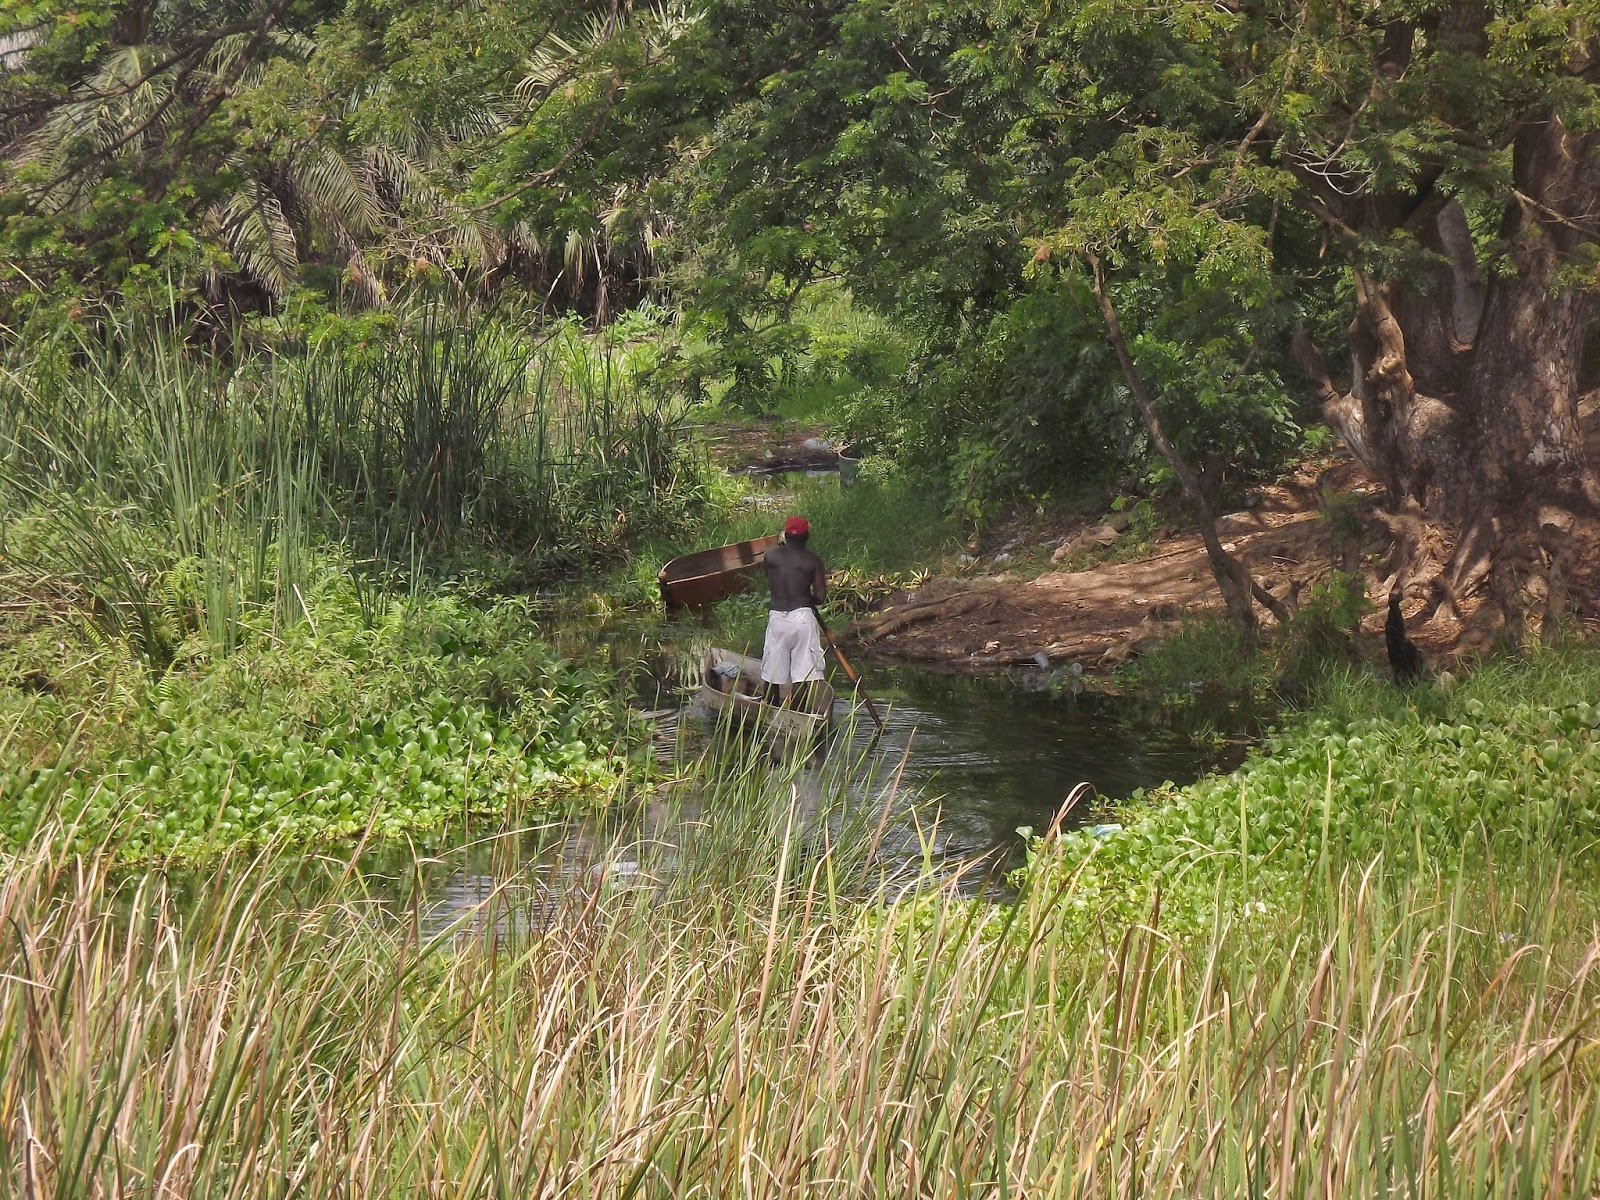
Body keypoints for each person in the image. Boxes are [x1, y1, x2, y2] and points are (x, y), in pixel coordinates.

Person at [761, 515, 827, 707]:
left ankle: (768, 711)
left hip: (777, 618)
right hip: (803, 618)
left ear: (786, 536)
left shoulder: (770, 556)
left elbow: (772, 579)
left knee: (771, 672)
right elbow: (821, 597)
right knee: (802, 674)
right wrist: (808, 599)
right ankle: (796, 714)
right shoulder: (812, 561)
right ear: (806, 537)